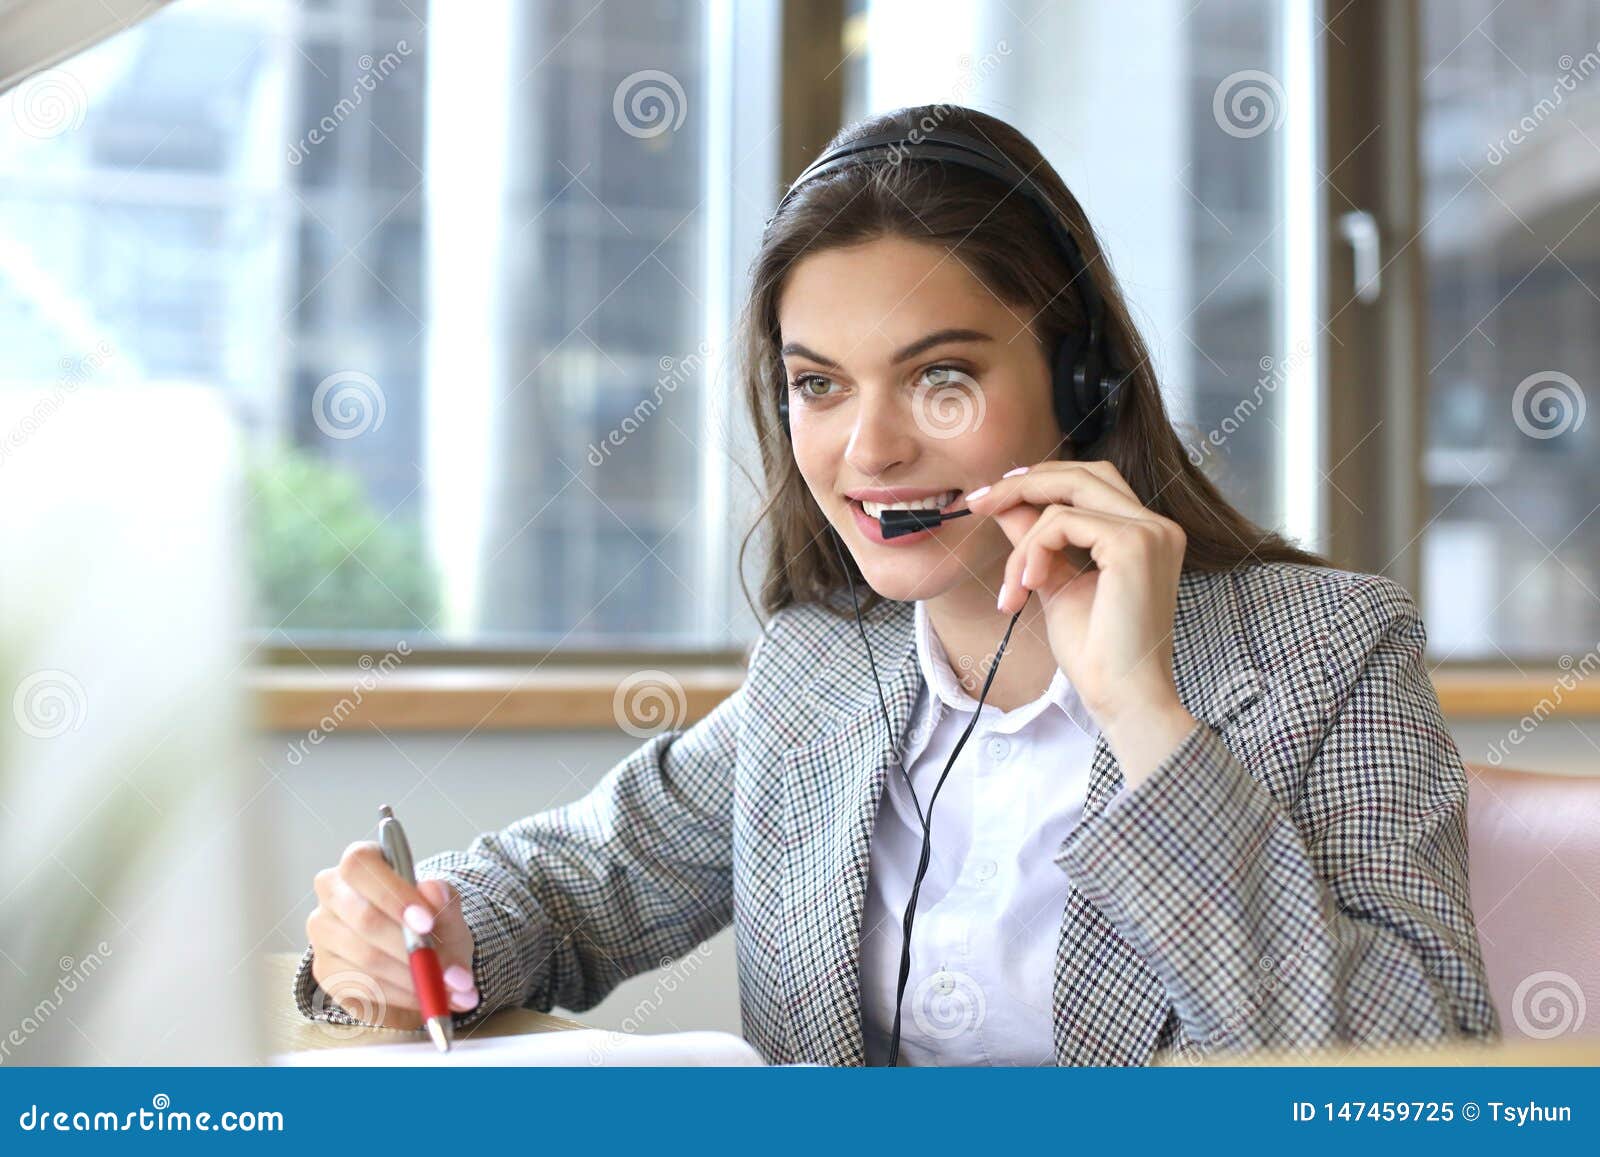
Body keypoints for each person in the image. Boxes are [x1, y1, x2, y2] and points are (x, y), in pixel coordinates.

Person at [293, 104, 1500, 1066]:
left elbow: (1419, 1075)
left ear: (1075, 383)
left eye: (939, 378)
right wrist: (428, 936)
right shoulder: (828, 663)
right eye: (819, 383)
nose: (867, 452)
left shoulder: (1329, 653)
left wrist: (1144, 715)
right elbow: (576, 884)